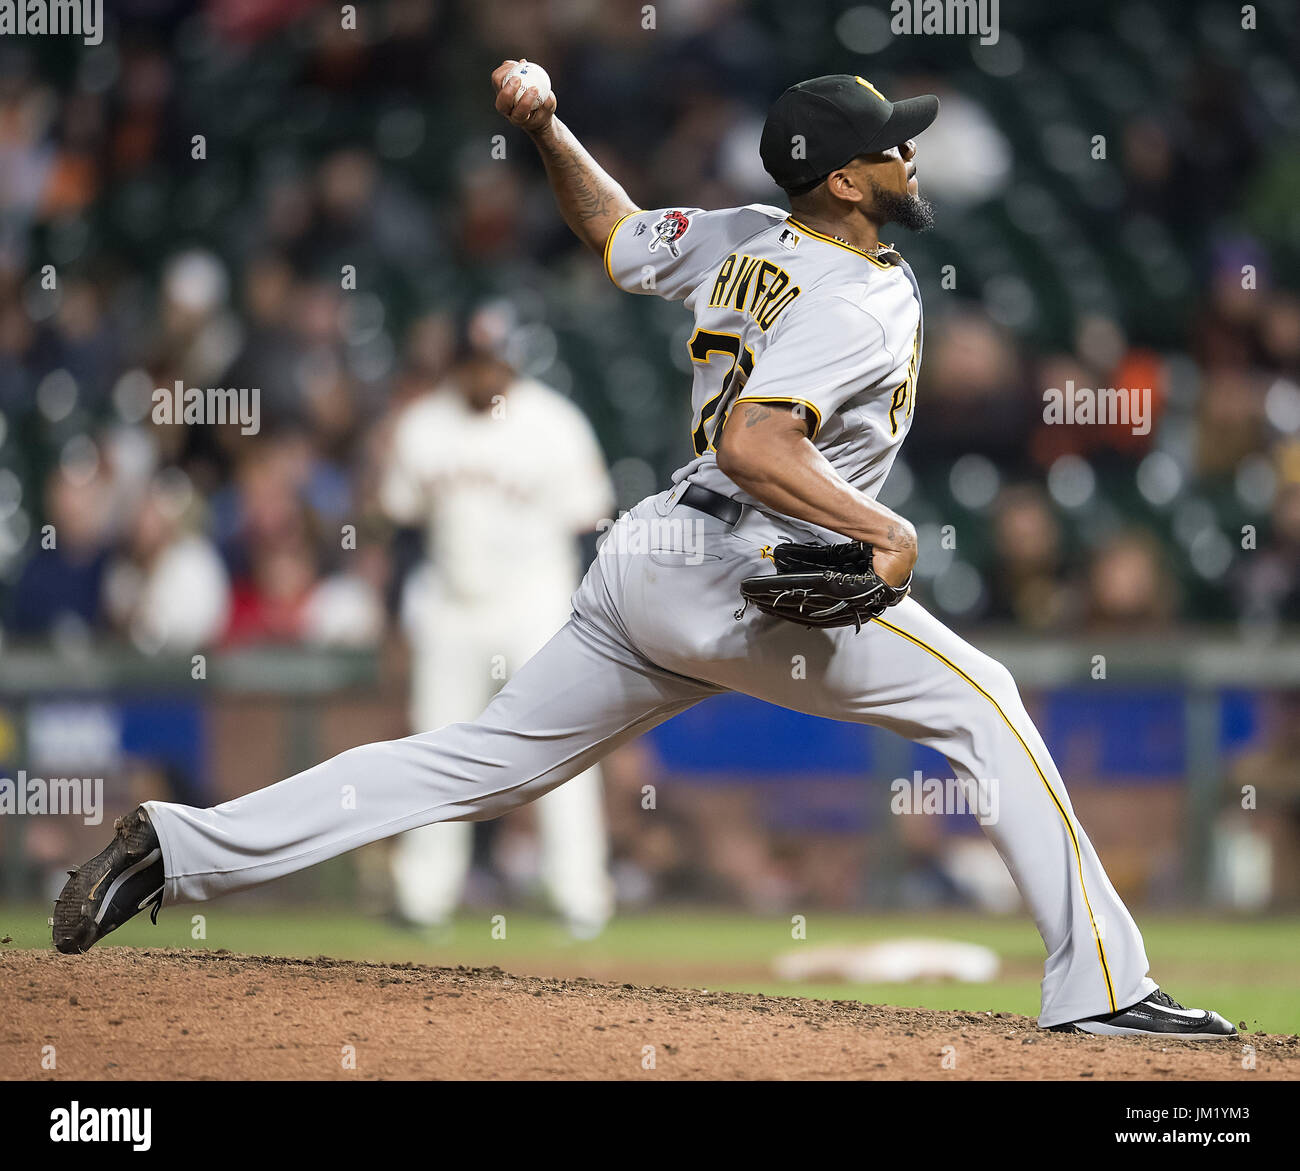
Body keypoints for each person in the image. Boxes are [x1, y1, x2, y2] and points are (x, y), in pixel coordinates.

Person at [54, 64, 1235, 1039]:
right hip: (745, 573)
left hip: (652, 556)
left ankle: (179, 847)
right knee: (987, 703)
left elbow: (615, 237)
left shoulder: (745, 240)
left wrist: (548, 129)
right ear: (842, 178)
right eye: (889, 147)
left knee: (478, 763)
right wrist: (884, 528)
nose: (908, 158)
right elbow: (755, 435)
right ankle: (1103, 992)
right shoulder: (860, 299)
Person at [382, 304, 615, 937]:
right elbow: (404, 533)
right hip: (447, 609)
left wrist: (595, 625)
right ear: (457, 363)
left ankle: (580, 894)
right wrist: (392, 622)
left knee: (565, 745)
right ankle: (422, 896)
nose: (486, 372)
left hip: (535, 605)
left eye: (496, 359)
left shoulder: (556, 424)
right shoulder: (423, 425)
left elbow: (591, 529)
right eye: (475, 360)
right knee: (433, 751)